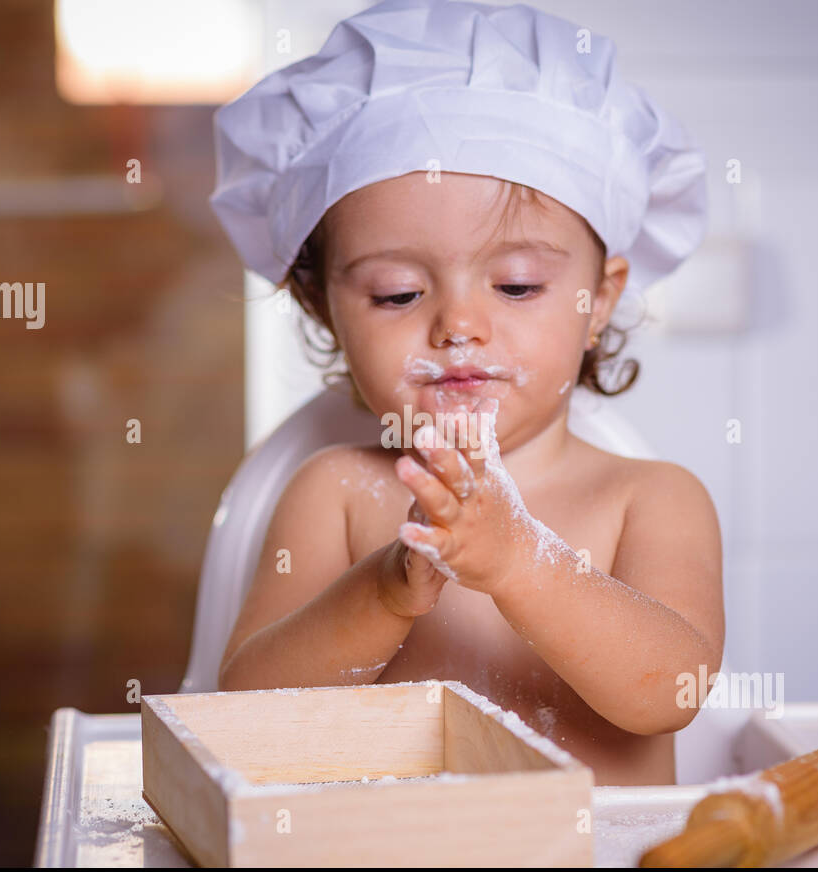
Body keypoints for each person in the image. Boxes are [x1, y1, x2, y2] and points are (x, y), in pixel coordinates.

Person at [209, 0, 722, 785]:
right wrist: (384, 591)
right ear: (325, 311)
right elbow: (246, 710)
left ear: (601, 300)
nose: (458, 325)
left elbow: (670, 694)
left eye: (516, 285)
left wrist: (519, 560)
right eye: (396, 293)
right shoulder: (334, 496)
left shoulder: (649, 499)